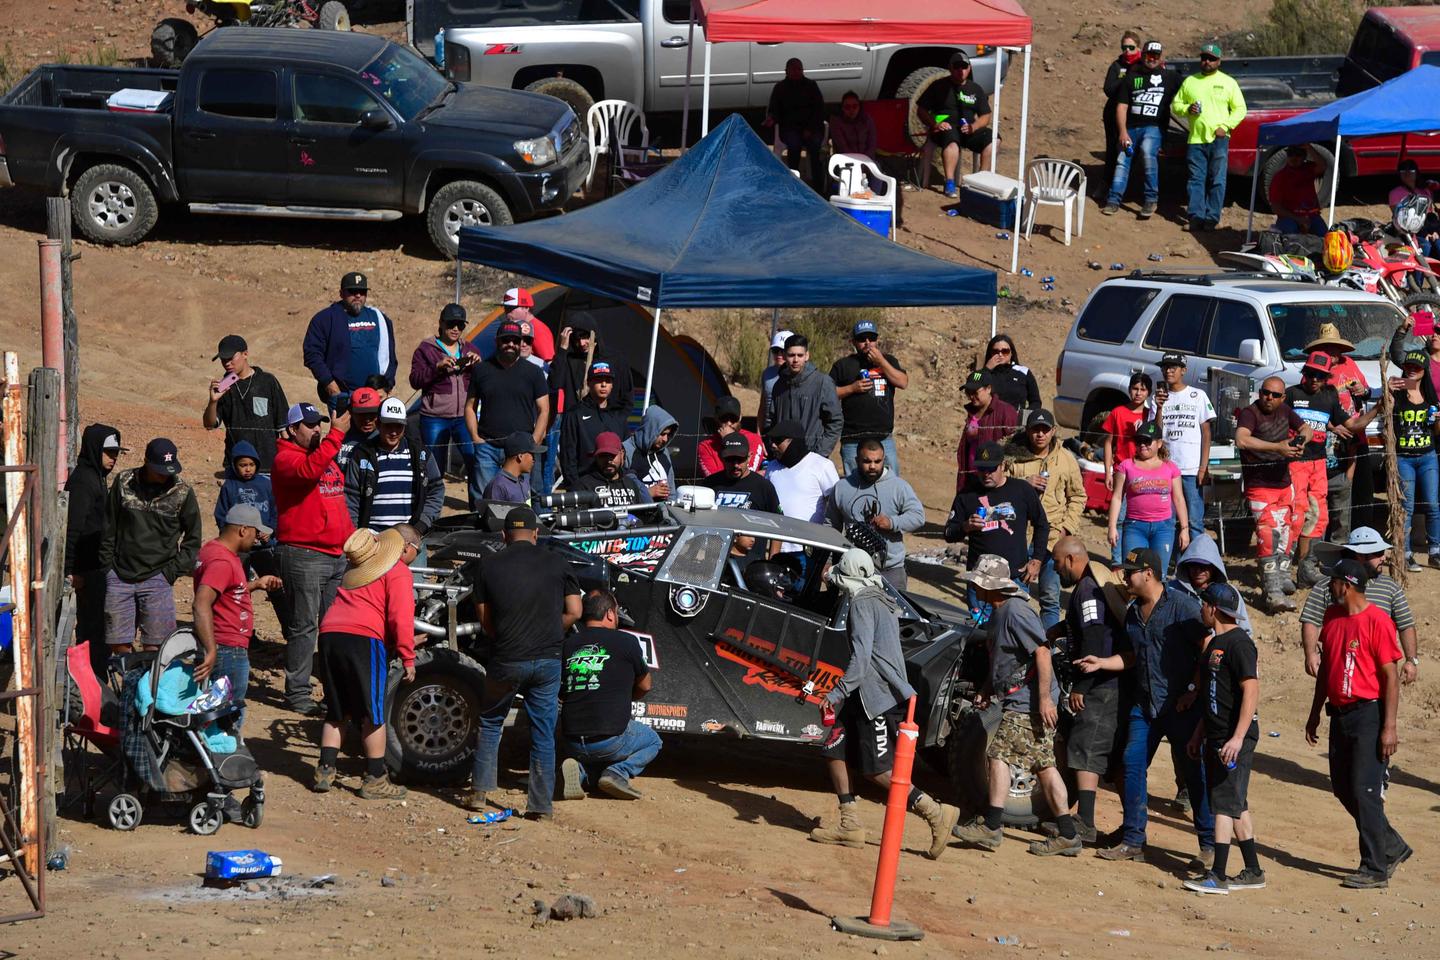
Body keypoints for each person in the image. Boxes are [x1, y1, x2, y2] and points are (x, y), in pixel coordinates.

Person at [810, 549, 960, 857]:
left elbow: (862, 658)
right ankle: (849, 823)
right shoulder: (880, 597)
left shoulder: (863, 604)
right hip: (865, 693)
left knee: (877, 770)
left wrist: (836, 692)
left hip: (875, 697)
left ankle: (934, 811)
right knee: (834, 747)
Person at [1078, 548, 1214, 866]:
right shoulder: (1132, 612)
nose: (1125, 577)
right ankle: (1133, 839)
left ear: (1148, 573)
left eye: (1130, 572)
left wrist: (1194, 689)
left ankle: (1209, 845)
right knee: (1131, 764)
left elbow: (1206, 645)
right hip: (1146, 705)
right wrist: (1102, 662)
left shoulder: (1182, 606)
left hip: (1181, 705)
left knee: (1195, 773)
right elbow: (1132, 657)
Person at [952, 554, 1080, 857]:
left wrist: (1044, 699)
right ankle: (1068, 834)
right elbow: (1002, 660)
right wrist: (987, 689)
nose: (976, 589)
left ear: (992, 587)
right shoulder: (1000, 612)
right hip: (1021, 699)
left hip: (1027, 703)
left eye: (980, 584)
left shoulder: (1016, 612)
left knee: (998, 755)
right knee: (1045, 766)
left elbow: (1043, 653)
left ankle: (991, 827)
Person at [470, 507, 584, 818]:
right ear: (536, 534)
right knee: (543, 732)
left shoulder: (488, 565)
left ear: (504, 536)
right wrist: (548, 630)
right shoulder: (558, 563)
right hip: (548, 659)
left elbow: (484, 620)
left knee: (492, 721)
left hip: (507, 656)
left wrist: (506, 635)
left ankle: (480, 792)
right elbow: (575, 611)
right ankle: (540, 806)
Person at [1305, 559, 1410, 888]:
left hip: (1369, 714)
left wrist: (1389, 726)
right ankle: (1391, 845)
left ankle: (1375, 868)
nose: (1328, 587)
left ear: (1346, 585)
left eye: (1332, 581)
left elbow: (1390, 677)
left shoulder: (1377, 620)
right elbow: (1326, 669)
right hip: (1339, 714)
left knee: (1365, 791)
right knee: (1342, 787)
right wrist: (1314, 711)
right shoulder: (1332, 617)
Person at [312, 526, 419, 800]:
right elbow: (401, 618)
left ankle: (325, 770)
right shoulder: (397, 572)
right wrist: (408, 657)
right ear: (406, 548)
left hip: (329, 635)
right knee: (373, 713)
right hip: (363, 639)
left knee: (337, 708)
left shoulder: (357, 571)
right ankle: (374, 778)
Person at [272, 402, 355, 715]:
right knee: (304, 627)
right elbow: (309, 473)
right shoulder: (285, 459)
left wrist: (349, 538)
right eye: (310, 425)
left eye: (319, 423)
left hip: (336, 554)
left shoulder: (324, 455)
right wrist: (336, 436)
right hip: (304, 554)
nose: (317, 429)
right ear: (293, 430)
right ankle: (297, 694)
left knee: (334, 626)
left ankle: (332, 691)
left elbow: (336, 499)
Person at [1183, 582, 1266, 894]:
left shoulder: (1239, 644)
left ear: (1213, 608)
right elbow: (1211, 695)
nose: (1200, 609)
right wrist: (1198, 733)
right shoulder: (1214, 645)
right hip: (1216, 735)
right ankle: (1254, 870)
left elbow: (1251, 690)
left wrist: (1238, 738)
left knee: (1221, 804)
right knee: (1235, 803)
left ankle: (1217, 874)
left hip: (1234, 739)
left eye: (1203, 604)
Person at [1050, 536, 1129, 843]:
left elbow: (1095, 638)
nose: (1056, 570)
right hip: (1103, 682)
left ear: (1071, 559)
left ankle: (1085, 822)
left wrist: (1081, 685)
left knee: (1086, 748)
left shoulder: (1087, 591)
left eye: (1057, 563)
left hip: (1100, 685)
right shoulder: (1087, 589)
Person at [557, 589, 662, 801]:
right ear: (610, 614)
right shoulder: (627, 642)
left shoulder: (568, 645)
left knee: (595, 753)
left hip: (571, 740)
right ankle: (618, 773)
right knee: (653, 741)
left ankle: (580, 772)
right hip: (610, 740)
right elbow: (646, 685)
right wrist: (624, 697)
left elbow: (562, 692)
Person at [99, 438, 202, 652]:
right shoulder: (123, 482)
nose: (165, 475)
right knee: (118, 643)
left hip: (158, 577)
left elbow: (193, 539)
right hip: (119, 575)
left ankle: (150, 685)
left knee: (156, 646)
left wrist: (170, 572)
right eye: (159, 470)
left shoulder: (182, 492)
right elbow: (108, 526)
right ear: (146, 461)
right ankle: (129, 683)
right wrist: (107, 567)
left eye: (169, 470)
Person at [1284, 351, 1378, 585]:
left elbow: (1353, 425)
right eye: (1311, 374)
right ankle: (1284, 570)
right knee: (1295, 515)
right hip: (1295, 462)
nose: (1315, 379)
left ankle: (1306, 569)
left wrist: (1380, 408)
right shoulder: (1291, 394)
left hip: (1318, 465)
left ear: (1327, 378)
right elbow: (1274, 419)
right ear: (1304, 373)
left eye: (1321, 375)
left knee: (1318, 518)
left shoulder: (1329, 396)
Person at [192, 504, 283, 735]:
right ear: (243, 530)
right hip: (227, 649)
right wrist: (212, 650)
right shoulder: (223, 561)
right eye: (255, 532)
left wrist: (255, 584)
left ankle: (202, 755)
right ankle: (224, 759)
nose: (257, 538)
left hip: (224, 647)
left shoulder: (211, 550)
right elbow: (201, 603)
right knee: (228, 714)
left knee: (212, 707)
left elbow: (226, 591)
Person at [1300, 527, 1419, 685]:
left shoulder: (1390, 587)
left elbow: (1405, 625)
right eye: (1377, 553)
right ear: (1360, 555)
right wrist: (1311, 653)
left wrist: (1412, 660)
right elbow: (1311, 619)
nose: (1383, 558)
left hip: (1379, 673)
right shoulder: (1329, 585)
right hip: (1339, 669)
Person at [943, 442, 1048, 621]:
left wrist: (1037, 559)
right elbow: (948, 533)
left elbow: (1042, 524)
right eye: (982, 469)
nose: (986, 474)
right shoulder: (967, 494)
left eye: (991, 469)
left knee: (1015, 631)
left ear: (1003, 466)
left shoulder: (1021, 490)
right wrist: (966, 526)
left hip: (1014, 578)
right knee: (983, 636)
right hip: (981, 582)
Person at [1003, 409, 1086, 629]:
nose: (1040, 435)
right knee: (1018, 597)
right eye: (1035, 430)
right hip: (1019, 537)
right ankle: (1019, 644)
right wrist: (1023, 483)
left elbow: (1078, 496)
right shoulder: (1013, 457)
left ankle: (1047, 650)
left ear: (1053, 432)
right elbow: (1000, 490)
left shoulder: (1066, 459)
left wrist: (1066, 529)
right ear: (1027, 431)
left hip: (1052, 540)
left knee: (1050, 600)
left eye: (1045, 430)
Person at [1235, 376, 1304, 611]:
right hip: (1259, 484)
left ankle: (1281, 576)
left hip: (1283, 483)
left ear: (1283, 397)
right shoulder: (1249, 412)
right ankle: (1271, 592)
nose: (1269, 398)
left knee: (1288, 529)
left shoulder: (1285, 410)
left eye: (1275, 395)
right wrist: (1279, 447)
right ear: (1260, 392)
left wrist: (1300, 440)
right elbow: (1241, 440)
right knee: (1267, 534)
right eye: (1266, 392)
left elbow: (1305, 427)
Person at [466, 319, 550, 506]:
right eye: (506, 340)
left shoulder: (534, 372)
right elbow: (470, 406)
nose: (510, 344)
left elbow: (544, 409)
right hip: (487, 447)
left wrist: (533, 442)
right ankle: (483, 536)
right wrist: (475, 438)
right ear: (497, 341)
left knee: (520, 502)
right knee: (484, 500)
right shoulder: (481, 370)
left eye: (515, 340)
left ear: (521, 342)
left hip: (520, 451)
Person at [67, 426, 126, 674]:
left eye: (116, 453)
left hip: (96, 568)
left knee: (98, 630)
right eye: (108, 452)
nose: (113, 458)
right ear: (94, 449)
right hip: (85, 570)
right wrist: (71, 570)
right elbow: (72, 528)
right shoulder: (84, 481)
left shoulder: (97, 478)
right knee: (91, 631)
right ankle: (90, 683)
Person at [828, 438, 924, 591]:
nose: (872, 466)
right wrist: (827, 563)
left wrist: (891, 522)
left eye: (877, 461)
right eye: (866, 461)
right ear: (857, 460)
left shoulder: (899, 487)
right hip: (851, 571)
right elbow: (830, 527)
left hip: (890, 570)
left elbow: (918, 516)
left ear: (883, 460)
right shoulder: (842, 488)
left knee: (894, 614)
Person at [1171, 43, 1246, 231]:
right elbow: (1175, 105)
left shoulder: (1229, 82)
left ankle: (1212, 218)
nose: (1207, 62)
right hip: (1196, 139)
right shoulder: (1190, 81)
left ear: (1219, 62)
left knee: (1217, 179)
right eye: (1204, 58)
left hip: (1219, 140)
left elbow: (1240, 109)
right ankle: (1196, 217)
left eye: (1212, 59)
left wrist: (1226, 126)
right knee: (1196, 179)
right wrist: (1188, 108)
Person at [1308, 324, 1372, 541]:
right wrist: (1332, 426)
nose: (1332, 352)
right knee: (1327, 495)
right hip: (1330, 441)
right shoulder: (1316, 370)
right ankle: (1323, 543)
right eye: (1327, 347)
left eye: (1335, 347)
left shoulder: (1350, 363)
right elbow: (1308, 408)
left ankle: (1359, 538)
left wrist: (1363, 391)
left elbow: (1365, 389)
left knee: (1362, 491)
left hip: (1357, 436)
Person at [345, 397, 444, 535]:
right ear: (378, 424)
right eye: (388, 425)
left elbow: (436, 491)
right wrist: (358, 535)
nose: (393, 432)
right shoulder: (361, 455)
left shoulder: (421, 454)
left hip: (410, 538)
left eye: (398, 426)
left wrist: (421, 526)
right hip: (372, 538)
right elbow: (350, 500)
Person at [1105, 40, 1178, 219]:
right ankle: (1113, 200)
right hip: (1130, 128)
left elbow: (1189, 90)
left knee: (1147, 153)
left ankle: (1151, 199)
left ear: (1161, 58)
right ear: (1143, 55)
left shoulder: (1170, 77)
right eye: (1149, 55)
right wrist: (1122, 131)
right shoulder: (1131, 76)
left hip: (1153, 127)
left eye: (1156, 56)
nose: (1152, 59)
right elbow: (1121, 106)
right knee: (1123, 158)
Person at [303, 271, 398, 408]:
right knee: (342, 430)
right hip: (343, 394)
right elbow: (312, 353)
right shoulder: (325, 319)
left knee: (374, 430)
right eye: (352, 291)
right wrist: (329, 383)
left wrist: (387, 386)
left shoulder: (379, 318)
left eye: (362, 291)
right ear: (341, 293)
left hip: (375, 394)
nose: (358, 295)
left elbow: (390, 356)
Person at [410, 302, 481, 481]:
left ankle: (476, 508)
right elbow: (415, 380)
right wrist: (437, 368)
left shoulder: (470, 349)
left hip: (465, 416)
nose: (456, 328)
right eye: (451, 324)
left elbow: (483, 382)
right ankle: (433, 508)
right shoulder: (425, 349)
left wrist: (478, 366)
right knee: (434, 468)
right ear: (441, 323)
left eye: (461, 325)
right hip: (435, 417)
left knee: (474, 462)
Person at [1107, 421, 1189, 573]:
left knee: (1159, 575)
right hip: (1134, 527)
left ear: (1159, 443)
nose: (1142, 445)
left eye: (1147, 441)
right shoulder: (1126, 466)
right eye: (1138, 441)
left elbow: (1179, 499)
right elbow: (1117, 497)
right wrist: (1112, 527)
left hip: (1163, 528)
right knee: (1133, 573)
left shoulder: (1170, 467)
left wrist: (1184, 529)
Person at [1153, 353, 1214, 550]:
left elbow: (1206, 432)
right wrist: (1160, 407)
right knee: (1168, 519)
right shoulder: (1157, 399)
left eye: (1173, 367)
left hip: (1191, 469)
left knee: (1195, 520)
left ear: (1184, 370)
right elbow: (1156, 433)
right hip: (1167, 469)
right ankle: (1168, 559)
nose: (1168, 370)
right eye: (1165, 367)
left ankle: (1196, 561)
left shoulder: (1198, 395)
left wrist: (1203, 467)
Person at [830, 320, 907, 475]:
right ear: (853, 342)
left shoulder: (889, 361)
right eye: (862, 339)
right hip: (853, 438)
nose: (867, 343)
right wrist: (852, 388)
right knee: (855, 486)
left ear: (877, 340)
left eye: (871, 338)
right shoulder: (843, 365)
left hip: (883, 437)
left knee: (891, 484)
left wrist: (881, 362)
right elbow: (826, 394)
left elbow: (903, 382)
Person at [202, 334, 288, 473]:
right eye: (223, 360)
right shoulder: (223, 387)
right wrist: (213, 401)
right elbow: (209, 424)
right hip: (236, 464)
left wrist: (287, 462)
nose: (227, 363)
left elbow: (283, 425)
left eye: (231, 358)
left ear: (245, 354)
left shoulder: (267, 381)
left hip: (266, 463)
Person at [917, 51, 994, 200]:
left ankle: (980, 182)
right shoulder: (939, 86)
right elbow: (921, 110)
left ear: (969, 69)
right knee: (951, 139)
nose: (961, 71)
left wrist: (974, 127)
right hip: (944, 129)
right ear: (950, 68)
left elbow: (986, 115)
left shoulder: (975, 89)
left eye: (964, 67)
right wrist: (935, 123)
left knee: (993, 140)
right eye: (957, 67)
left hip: (968, 130)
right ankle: (950, 182)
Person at [1390, 349, 1440, 570]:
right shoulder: (1399, 390)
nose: (1411, 370)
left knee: (1432, 504)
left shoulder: (1430, 394)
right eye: (1408, 366)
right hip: (1404, 458)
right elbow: (1385, 412)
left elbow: (1437, 431)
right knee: (1406, 506)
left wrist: (1437, 419)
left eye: (1416, 367)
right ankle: (1405, 552)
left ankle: (1435, 552)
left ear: (1424, 371)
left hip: (1428, 456)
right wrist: (1387, 392)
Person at [1102, 373, 1155, 566]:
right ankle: (1117, 561)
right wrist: (1108, 471)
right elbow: (1108, 442)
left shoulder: (1151, 415)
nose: (1138, 393)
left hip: (1144, 471)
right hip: (1121, 470)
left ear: (1148, 392)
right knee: (1119, 516)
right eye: (1135, 388)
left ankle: (1136, 559)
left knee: (1139, 517)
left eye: (1142, 389)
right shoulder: (1117, 412)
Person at [768, 334, 843, 458]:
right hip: (784, 458)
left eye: (800, 355)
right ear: (785, 356)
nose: (796, 360)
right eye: (791, 355)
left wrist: (819, 454)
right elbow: (773, 421)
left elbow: (835, 421)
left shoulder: (822, 382)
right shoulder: (779, 386)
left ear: (807, 356)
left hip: (812, 457)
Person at [559, 361, 629, 486]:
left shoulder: (619, 415)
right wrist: (575, 487)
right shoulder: (574, 414)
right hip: (585, 486)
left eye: (607, 380)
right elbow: (568, 457)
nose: (603, 384)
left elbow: (626, 452)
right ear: (588, 383)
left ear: (612, 385)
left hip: (616, 485)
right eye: (598, 380)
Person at [763, 58, 827, 191]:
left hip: (812, 127)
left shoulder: (811, 86)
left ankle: (818, 186)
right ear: (786, 71)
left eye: (799, 69)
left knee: (815, 147)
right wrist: (771, 118)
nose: (796, 72)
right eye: (793, 69)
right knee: (794, 145)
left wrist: (810, 128)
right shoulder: (780, 88)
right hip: (790, 128)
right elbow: (774, 110)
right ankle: (794, 183)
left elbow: (819, 110)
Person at [954, 369, 1020, 492]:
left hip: (994, 479)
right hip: (972, 477)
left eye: (975, 392)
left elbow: (1015, 448)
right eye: (968, 392)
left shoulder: (1006, 412)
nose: (971, 396)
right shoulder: (971, 413)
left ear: (988, 389)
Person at [1171, 534, 1252, 633]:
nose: (1198, 571)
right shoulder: (1173, 591)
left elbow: (1245, 633)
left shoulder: (1229, 594)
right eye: (1193, 565)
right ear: (1186, 566)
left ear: (1214, 566)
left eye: (1203, 566)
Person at [765, 421, 839, 525]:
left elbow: (836, 504)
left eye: (778, 441)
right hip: (777, 539)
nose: (773, 445)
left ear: (793, 442)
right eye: (771, 441)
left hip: (810, 539)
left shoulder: (822, 465)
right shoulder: (771, 466)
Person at [1101, 30, 1144, 193]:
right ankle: (1106, 183)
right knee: (1113, 148)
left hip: (1135, 115)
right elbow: (1108, 89)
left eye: (1131, 47)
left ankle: (1128, 187)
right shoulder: (1117, 65)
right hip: (1113, 113)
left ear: (1138, 47)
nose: (1127, 51)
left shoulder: (1143, 65)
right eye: (1124, 47)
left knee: (1136, 151)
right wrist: (1125, 80)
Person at [570, 432, 652, 509]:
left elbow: (642, 517)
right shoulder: (583, 486)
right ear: (595, 457)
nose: (608, 461)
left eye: (612, 455)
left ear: (622, 454)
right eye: (603, 456)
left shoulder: (631, 484)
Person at [703, 433, 781, 513]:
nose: (735, 465)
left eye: (740, 459)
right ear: (721, 457)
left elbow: (778, 520)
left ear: (749, 457)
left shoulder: (764, 487)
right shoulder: (709, 485)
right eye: (730, 459)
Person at [213, 441, 276, 537]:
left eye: (252, 464)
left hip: (265, 542)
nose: (248, 469)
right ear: (234, 466)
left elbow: (275, 511)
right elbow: (221, 514)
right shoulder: (229, 486)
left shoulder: (266, 484)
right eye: (243, 465)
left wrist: (271, 530)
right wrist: (230, 535)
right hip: (238, 542)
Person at [696, 396, 766, 477]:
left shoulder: (754, 439)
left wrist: (730, 439)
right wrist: (727, 440)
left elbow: (747, 477)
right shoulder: (705, 447)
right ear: (716, 418)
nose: (729, 423)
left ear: (740, 417)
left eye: (733, 419)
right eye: (724, 419)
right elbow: (714, 482)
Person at [1268, 145, 1330, 235]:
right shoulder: (1280, 177)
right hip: (1289, 217)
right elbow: (1276, 208)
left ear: (1304, 156)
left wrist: (1309, 147)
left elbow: (1323, 165)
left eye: (1298, 154)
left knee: (1325, 236)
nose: (1294, 158)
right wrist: (1298, 219)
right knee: (1293, 235)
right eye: (1290, 154)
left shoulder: (1308, 169)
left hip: (1311, 216)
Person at [624, 405, 679, 503]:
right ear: (650, 430)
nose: (665, 439)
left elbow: (671, 491)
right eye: (662, 434)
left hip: (663, 512)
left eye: (668, 434)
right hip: (637, 514)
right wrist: (647, 493)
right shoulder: (626, 451)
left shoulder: (664, 452)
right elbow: (619, 492)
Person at [1389, 158, 1440, 257]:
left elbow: (1430, 215)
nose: (1407, 174)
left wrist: (1434, 232)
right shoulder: (1395, 193)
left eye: (1411, 171)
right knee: (1425, 246)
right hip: (1408, 230)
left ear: (1417, 173)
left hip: (1429, 227)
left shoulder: (1425, 190)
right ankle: (1420, 272)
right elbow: (1399, 218)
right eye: (1403, 171)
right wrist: (1425, 233)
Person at [982, 334, 1041, 413]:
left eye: (1005, 351)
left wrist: (1024, 415)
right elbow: (973, 387)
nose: (1000, 354)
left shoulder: (1024, 372)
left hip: (1017, 422)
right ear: (990, 353)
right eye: (996, 351)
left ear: (1011, 352)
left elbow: (1036, 401)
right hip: (991, 422)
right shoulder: (985, 373)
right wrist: (987, 369)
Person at [483, 432, 544, 504]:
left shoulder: (523, 480)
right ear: (520, 456)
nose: (534, 460)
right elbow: (493, 514)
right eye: (532, 455)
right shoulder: (498, 486)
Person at [335, 386, 384, 471]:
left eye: (372, 413)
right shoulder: (338, 438)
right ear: (351, 412)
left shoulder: (386, 439)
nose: (367, 420)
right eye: (361, 414)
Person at [758, 329, 795, 430]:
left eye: (782, 351)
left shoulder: (798, 376)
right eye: (775, 350)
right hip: (768, 430)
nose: (779, 354)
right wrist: (758, 432)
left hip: (788, 431)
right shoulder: (767, 373)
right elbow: (763, 404)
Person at [829, 91, 877, 162]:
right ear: (842, 108)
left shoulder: (867, 119)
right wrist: (857, 162)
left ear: (859, 107)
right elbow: (843, 147)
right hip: (846, 160)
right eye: (847, 107)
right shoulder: (836, 122)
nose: (851, 110)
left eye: (855, 106)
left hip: (867, 160)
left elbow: (872, 144)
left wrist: (865, 160)